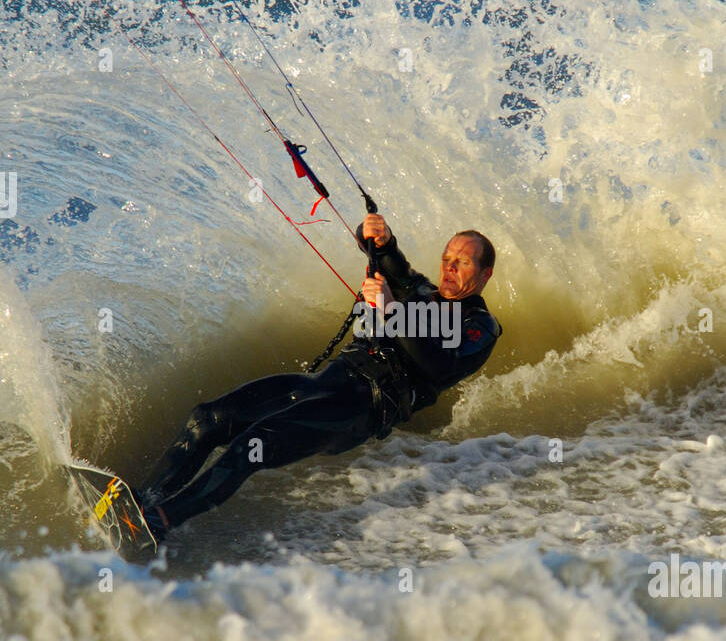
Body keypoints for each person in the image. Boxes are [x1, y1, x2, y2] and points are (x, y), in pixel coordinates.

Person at [135, 215, 502, 540]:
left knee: (251, 446)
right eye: (447, 259)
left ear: (484, 274)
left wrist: (391, 311)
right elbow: (387, 256)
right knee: (208, 419)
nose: (450, 268)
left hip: (360, 409)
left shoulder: (480, 327)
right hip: (326, 383)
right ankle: (141, 502)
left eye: (463, 262)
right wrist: (377, 234)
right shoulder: (419, 290)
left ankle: (159, 521)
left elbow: (438, 365)